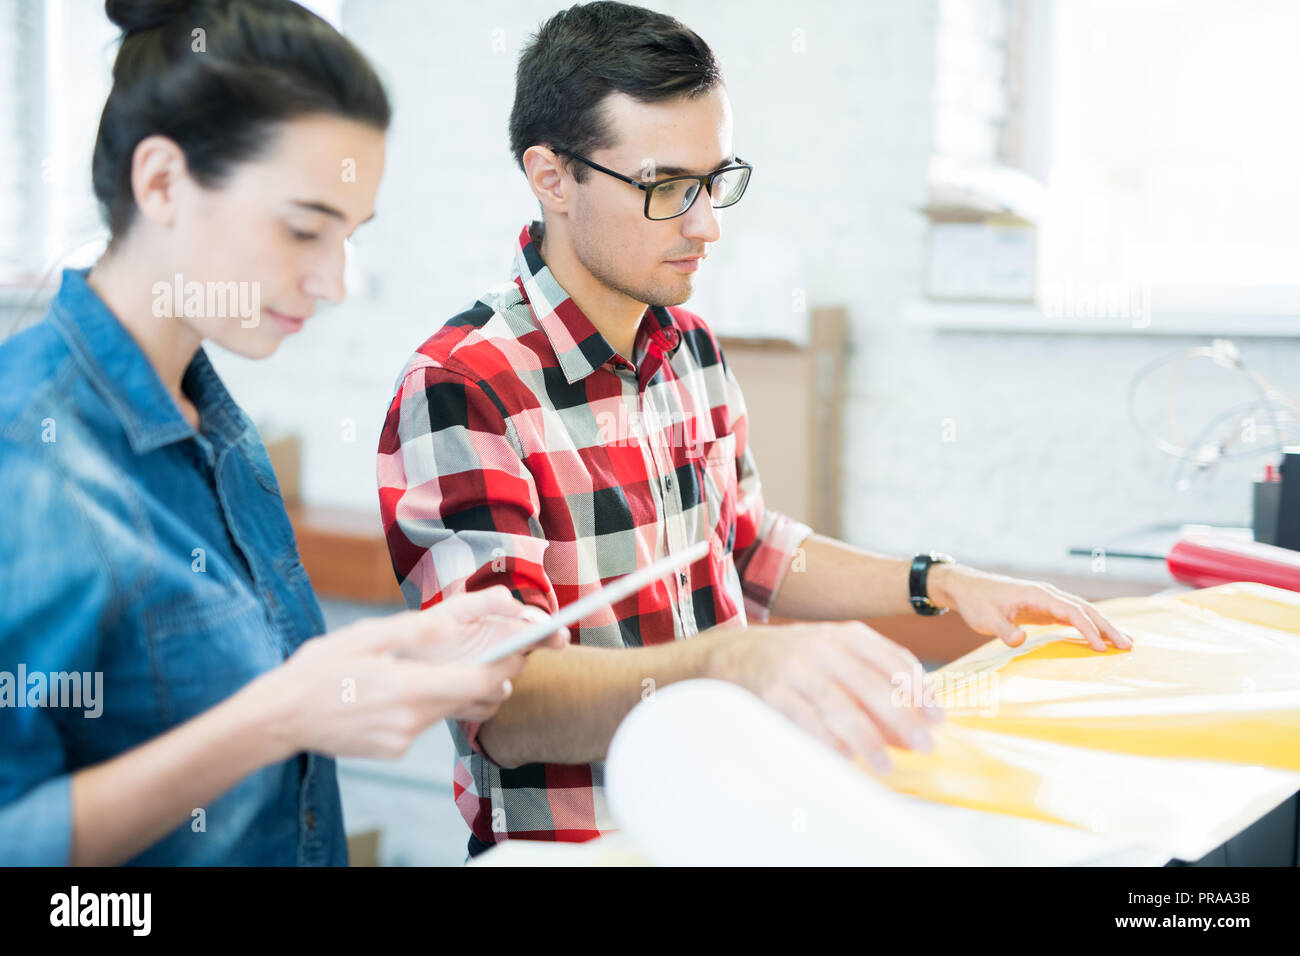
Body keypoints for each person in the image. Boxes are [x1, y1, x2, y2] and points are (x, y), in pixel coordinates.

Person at [377, 0, 1135, 857]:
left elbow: (744, 547)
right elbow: (503, 706)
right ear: (552, 175)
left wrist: (943, 583)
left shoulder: (689, 347)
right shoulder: (461, 386)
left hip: (728, 821)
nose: (707, 225)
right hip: (589, 849)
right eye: (666, 188)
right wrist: (723, 664)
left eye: (715, 181)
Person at [0, 0, 565, 867]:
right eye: (304, 229)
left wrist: (395, 652)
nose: (334, 281)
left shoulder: (217, 429)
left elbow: (220, 688)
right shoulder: (27, 451)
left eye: (349, 237)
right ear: (161, 184)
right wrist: (282, 716)